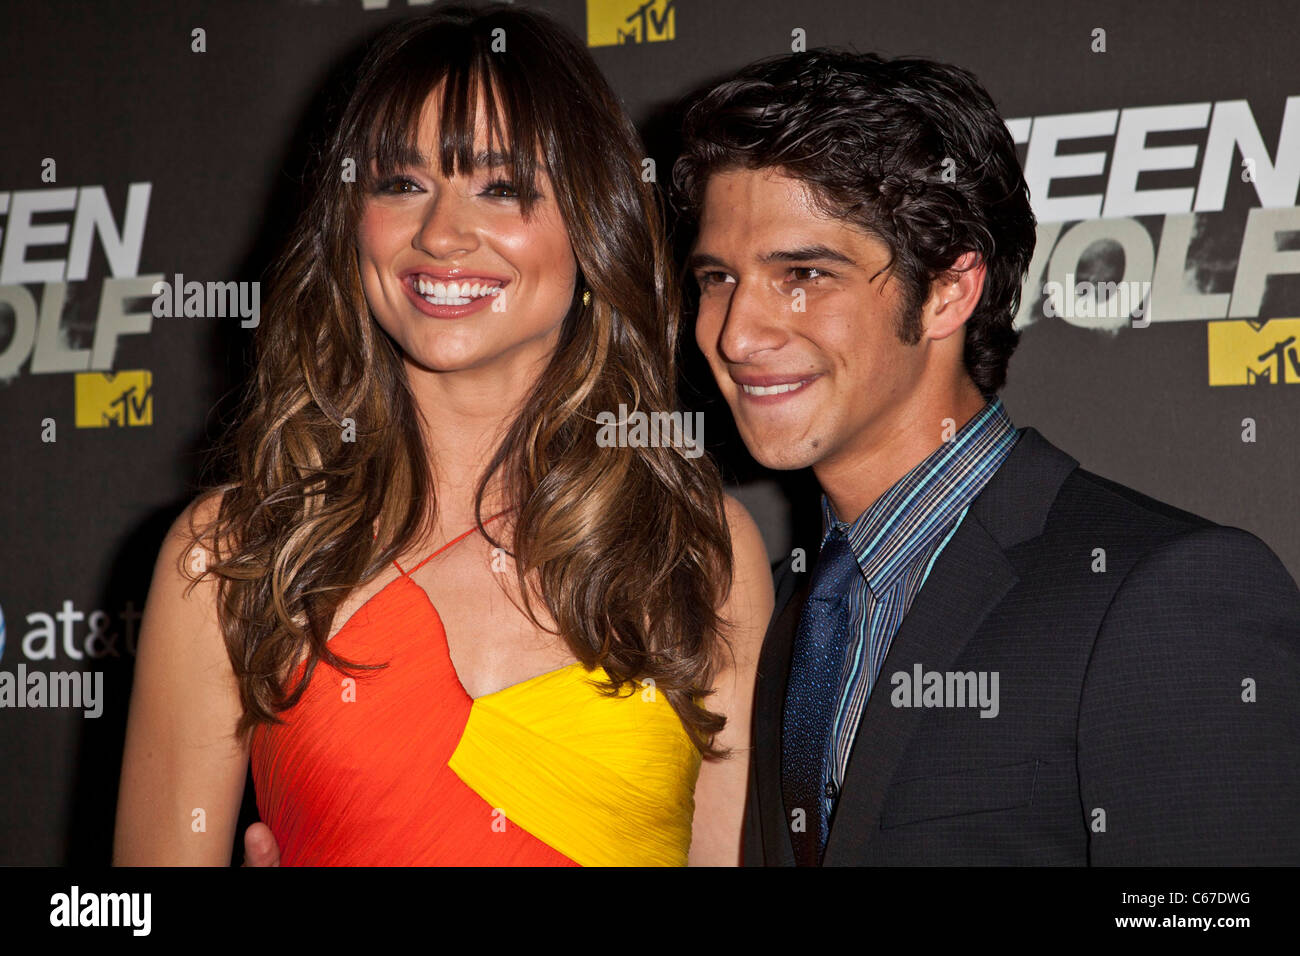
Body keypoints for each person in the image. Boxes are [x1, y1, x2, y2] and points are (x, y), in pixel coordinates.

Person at [112, 4, 772, 867]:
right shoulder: (234, 556)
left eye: (501, 187)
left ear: (592, 224)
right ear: (351, 223)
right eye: (401, 183)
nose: (440, 235)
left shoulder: (699, 549)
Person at [670, 48, 1300, 865]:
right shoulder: (778, 608)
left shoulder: (1160, 593)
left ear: (947, 290)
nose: (737, 332)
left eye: (803, 274)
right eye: (717, 277)